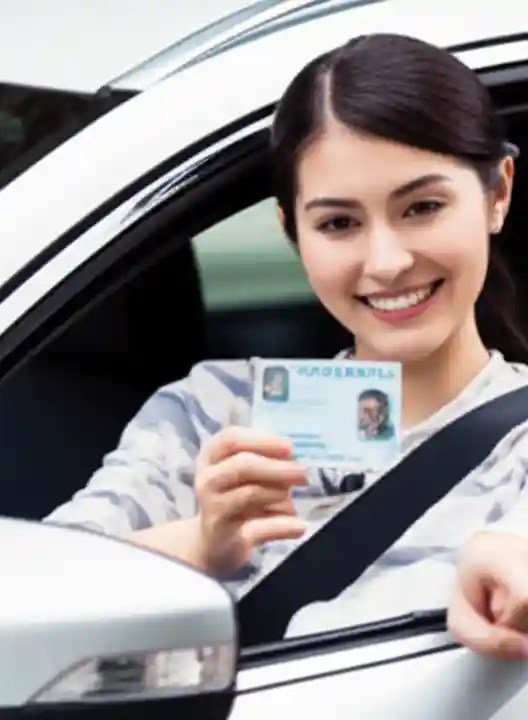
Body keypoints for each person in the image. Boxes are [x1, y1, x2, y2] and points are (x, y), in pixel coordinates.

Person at [43, 32, 528, 661]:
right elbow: (32, 593)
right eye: (338, 224)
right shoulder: (213, 411)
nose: (386, 262)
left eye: (423, 207)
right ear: (292, 232)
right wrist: (201, 545)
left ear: (498, 194)